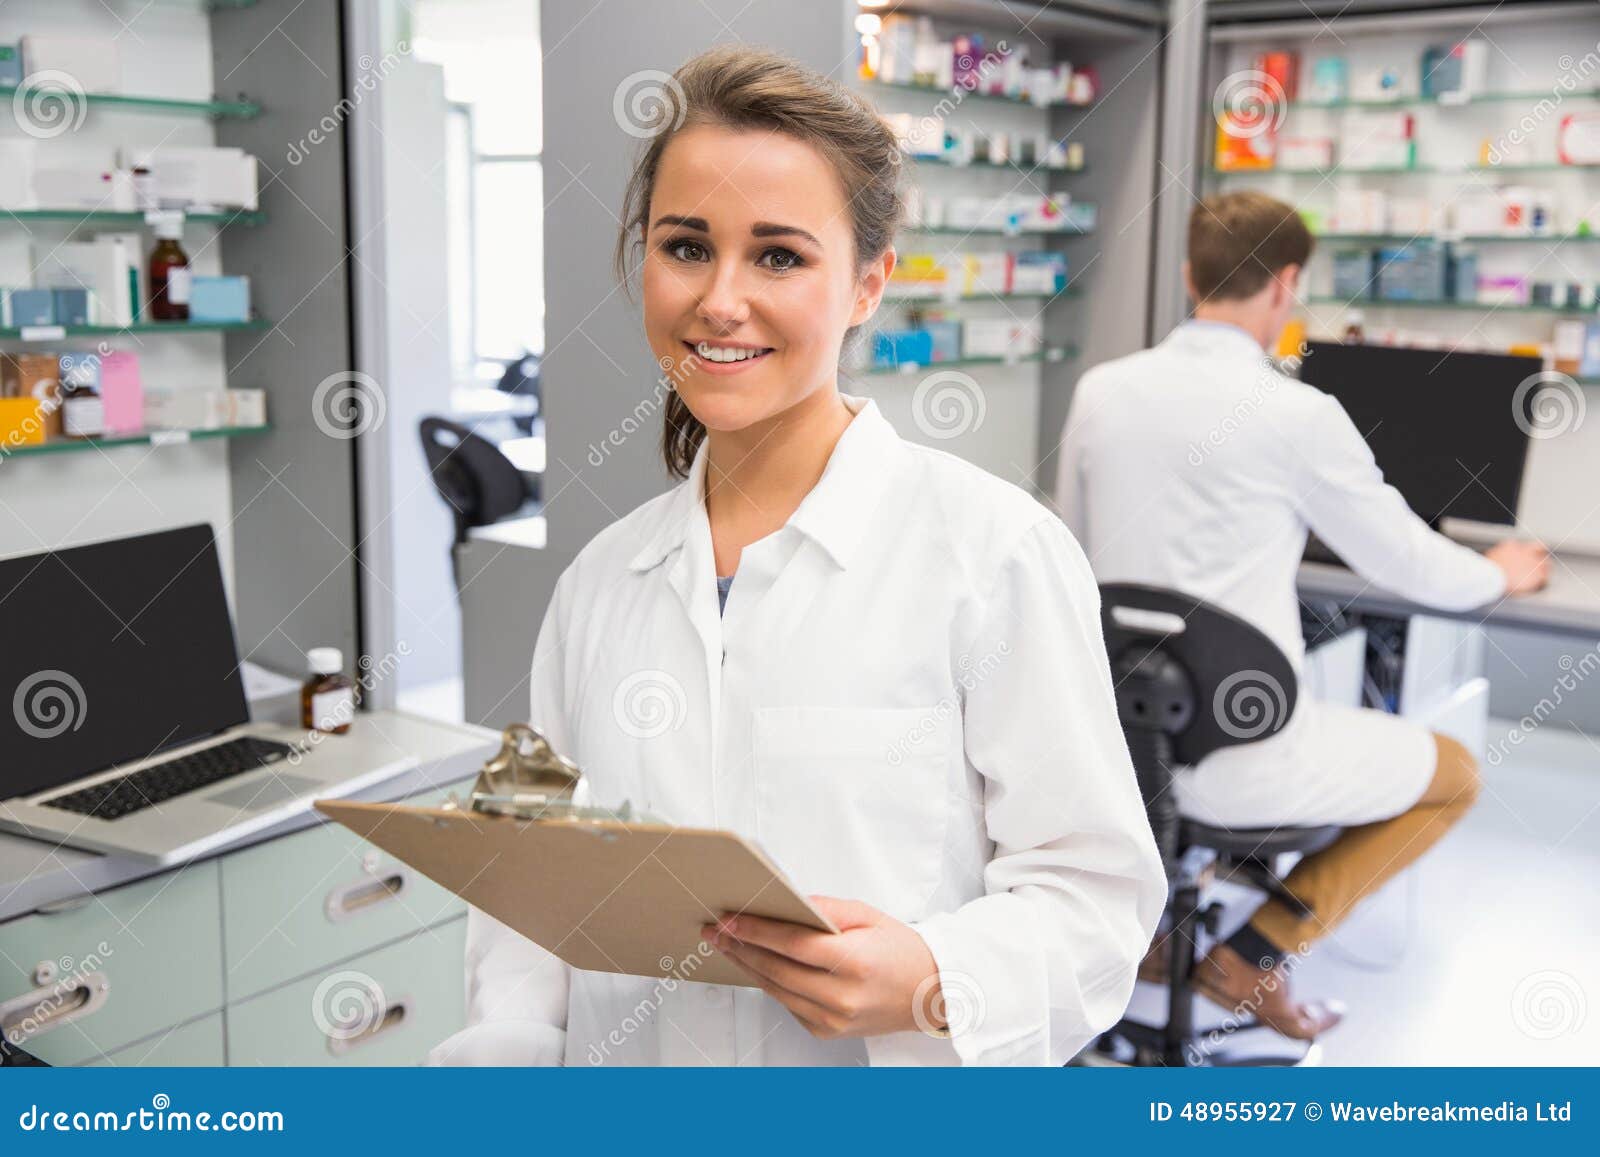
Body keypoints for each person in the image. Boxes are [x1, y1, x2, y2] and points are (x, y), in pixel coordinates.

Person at [429, 45, 1164, 1068]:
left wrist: (935, 976)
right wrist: (505, 1048)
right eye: (685, 246)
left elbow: (1097, 899)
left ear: (867, 282)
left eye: (778, 256)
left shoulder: (992, 556)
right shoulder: (599, 580)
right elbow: (531, 872)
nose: (720, 300)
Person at [1055, 191, 1551, 1042]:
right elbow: (1407, 560)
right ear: (1286, 287)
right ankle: (1258, 948)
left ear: (1189, 275)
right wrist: (1495, 574)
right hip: (1245, 750)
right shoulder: (1296, 413)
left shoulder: (1103, 390)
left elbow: (1069, 553)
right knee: (1455, 773)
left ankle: (1159, 933)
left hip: (1124, 747)